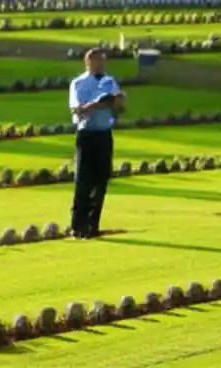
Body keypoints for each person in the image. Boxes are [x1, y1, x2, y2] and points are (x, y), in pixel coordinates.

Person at [68, 48, 125, 239]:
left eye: (103, 62)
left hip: (104, 134)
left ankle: (93, 226)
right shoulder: (78, 84)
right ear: (88, 63)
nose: (102, 65)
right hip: (86, 133)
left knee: (101, 180)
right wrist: (99, 104)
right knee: (83, 180)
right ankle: (77, 225)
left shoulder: (110, 81)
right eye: (98, 62)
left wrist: (118, 103)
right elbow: (78, 110)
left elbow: (118, 110)